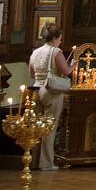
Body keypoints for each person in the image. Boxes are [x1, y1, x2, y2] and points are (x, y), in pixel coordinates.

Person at [29, 26, 73, 170]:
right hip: (51, 91)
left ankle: (34, 161)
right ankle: (46, 163)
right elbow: (65, 71)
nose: (60, 42)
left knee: (37, 128)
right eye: (60, 39)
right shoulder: (56, 51)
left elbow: (31, 73)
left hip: (36, 90)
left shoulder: (36, 52)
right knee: (49, 128)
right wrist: (72, 66)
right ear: (54, 38)